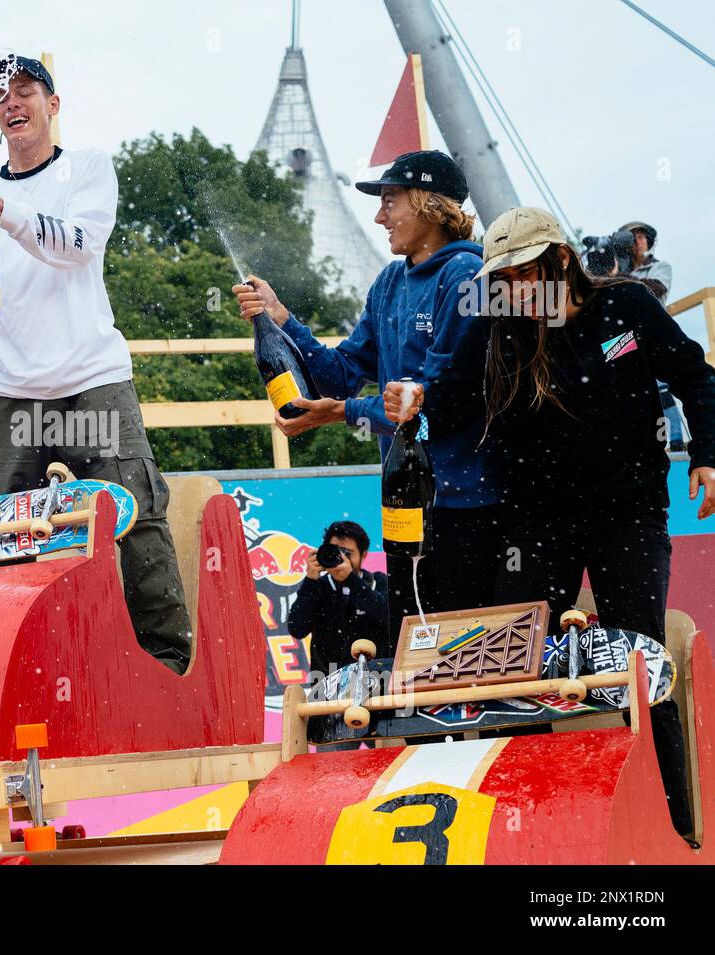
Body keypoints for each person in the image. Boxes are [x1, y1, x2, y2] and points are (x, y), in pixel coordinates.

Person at [384, 206, 715, 837]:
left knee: (639, 660)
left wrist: (708, 456)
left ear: (560, 261)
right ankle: (529, 823)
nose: (511, 292)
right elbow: (449, 401)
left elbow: (697, 379)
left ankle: (677, 827)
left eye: (521, 276)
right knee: (517, 666)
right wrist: (416, 402)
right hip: (536, 517)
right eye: (500, 280)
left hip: (629, 513)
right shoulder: (499, 325)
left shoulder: (627, 309)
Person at [0, 55, 192, 673]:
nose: (12, 102)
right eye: (1, 95)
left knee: (133, 514)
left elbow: (80, 247)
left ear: (54, 105)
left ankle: (166, 666)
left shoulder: (87, 168)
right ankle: (5, 666)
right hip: (9, 388)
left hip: (92, 380)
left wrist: (8, 213)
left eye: (26, 90)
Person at [233, 150, 499, 656]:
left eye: (390, 201)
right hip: (404, 500)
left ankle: (489, 736)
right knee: (414, 648)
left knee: (473, 653)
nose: (379, 217)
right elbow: (339, 374)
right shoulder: (390, 282)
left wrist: (341, 412)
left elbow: (435, 407)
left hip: (466, 501)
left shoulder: (467, 275)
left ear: (428, 206)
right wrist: (282, 319)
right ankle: (431, 737)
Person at [288, 521, 387, 679]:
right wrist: (310, 581)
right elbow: (297, 629)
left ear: (363, 555)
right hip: (325, 684)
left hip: (376, 680)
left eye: (347, 553)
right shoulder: (318, 587)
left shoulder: (377, 582)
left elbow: (386, 616)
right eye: (336, 551)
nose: (341, 558)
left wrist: (351, 580)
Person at [619, 220, 673, 303]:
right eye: (632, 239)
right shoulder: (621, 270)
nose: (637, 242)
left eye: (640, 237)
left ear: (647, 242)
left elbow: (656, 289)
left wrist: (621, 278)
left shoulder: (661, 266)